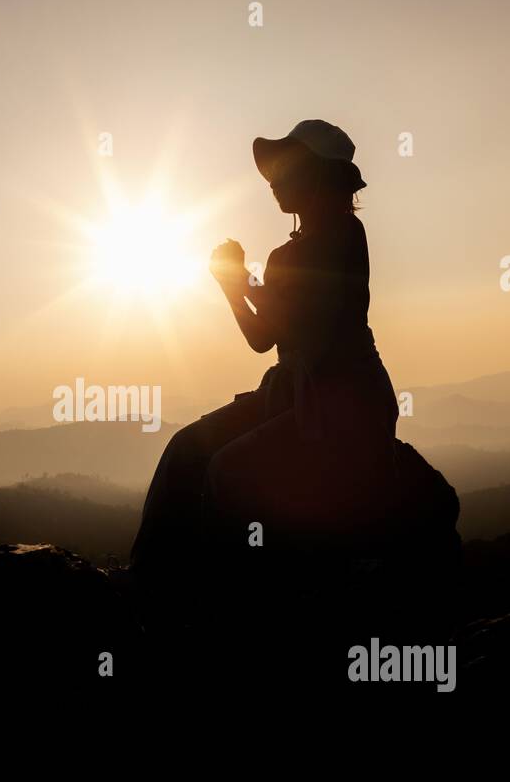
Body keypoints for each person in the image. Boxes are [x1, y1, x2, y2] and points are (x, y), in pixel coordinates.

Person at [129, 120, 399, 578]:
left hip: (342, 399)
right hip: (295, 394)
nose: (273, 182)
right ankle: (151, 580)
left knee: (225, 471)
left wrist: (239, 278)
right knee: (185, 449)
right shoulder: (289, 254)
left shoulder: (344, 235)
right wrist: (235, 284)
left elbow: (294, 316)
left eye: (286, 170)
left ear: (317, 174)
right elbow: (263, 337)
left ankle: (209, 593)